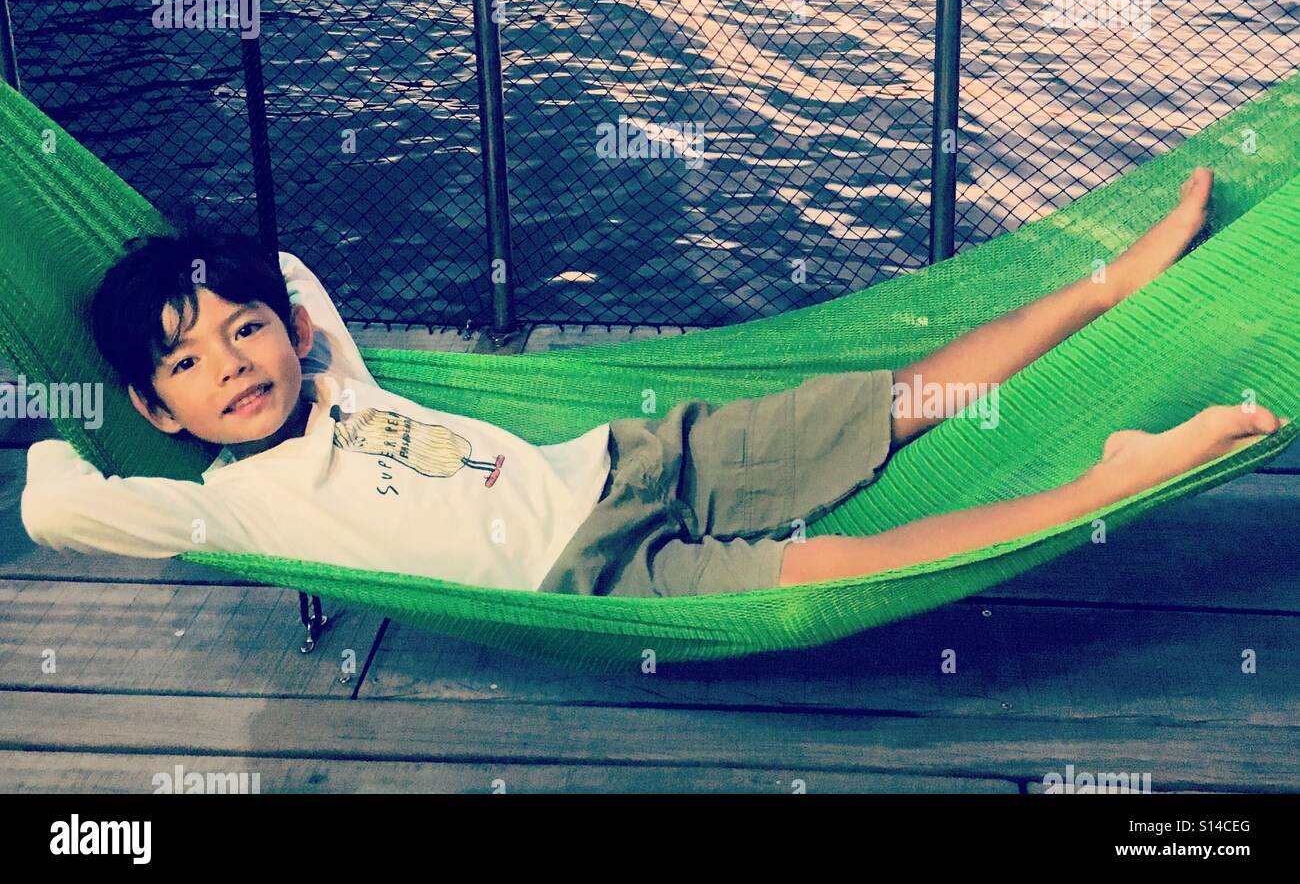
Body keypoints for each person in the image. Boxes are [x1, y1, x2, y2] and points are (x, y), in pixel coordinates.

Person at [21, 169, 1288, 600]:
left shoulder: (329, 373)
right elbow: (56, 509)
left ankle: (1102, 292)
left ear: (291, 330)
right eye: (184, 363)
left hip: (629, 460)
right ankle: (1111, 476)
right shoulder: (232, 509)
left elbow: (293, 278)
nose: (231, 364)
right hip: (589, 577)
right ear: (154, 409)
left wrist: (246, 298)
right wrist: (63, 444)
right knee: (847, 564)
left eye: (246, 330)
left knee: (893, 401)